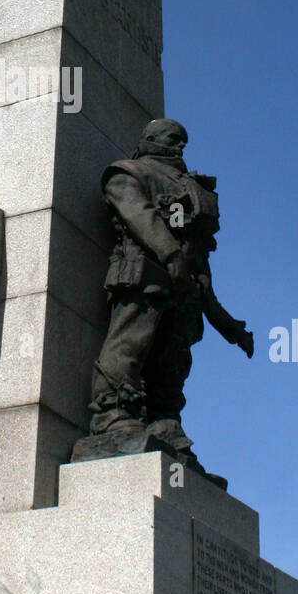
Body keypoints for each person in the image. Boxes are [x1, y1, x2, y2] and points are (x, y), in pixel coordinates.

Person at [71, 118, 253, 487]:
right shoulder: (127, 173)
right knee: (130, 344)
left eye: (184, 140)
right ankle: (111, 417)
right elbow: (140, 217)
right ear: (149, 139)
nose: (180, 146)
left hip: (183, 292)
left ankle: (165, 424)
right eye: (173, 139)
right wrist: (170, 255)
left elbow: (199, 258)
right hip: (144, 277)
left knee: (173, 364)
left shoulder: (191, 189)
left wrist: (228, 324)